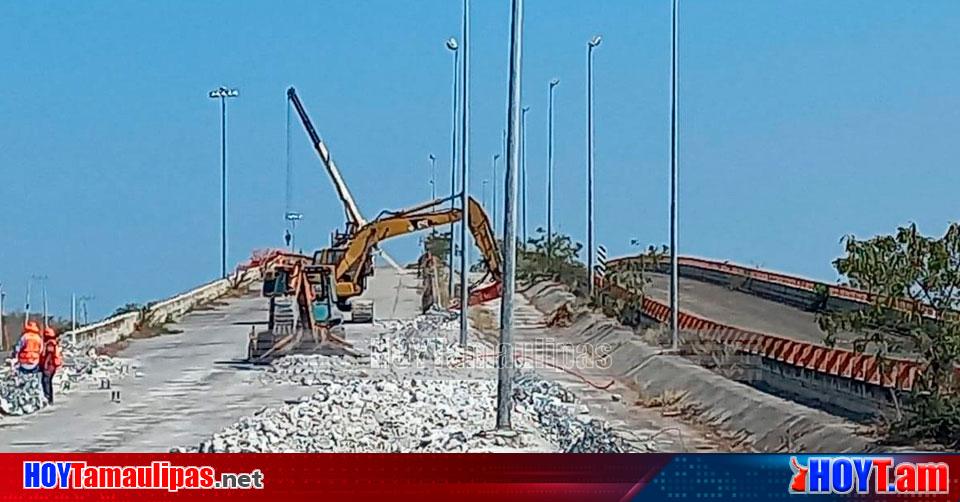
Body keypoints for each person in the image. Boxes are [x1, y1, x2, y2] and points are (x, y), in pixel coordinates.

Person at [40, 326, 62, 404]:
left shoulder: (50, 343)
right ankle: (50, 398)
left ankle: (48, 398)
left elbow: (49, 355)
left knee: (46, 381)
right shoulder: (52, 342)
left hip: (49, 365)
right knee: (48, 382)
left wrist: (45, 365)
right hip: (52, 365)